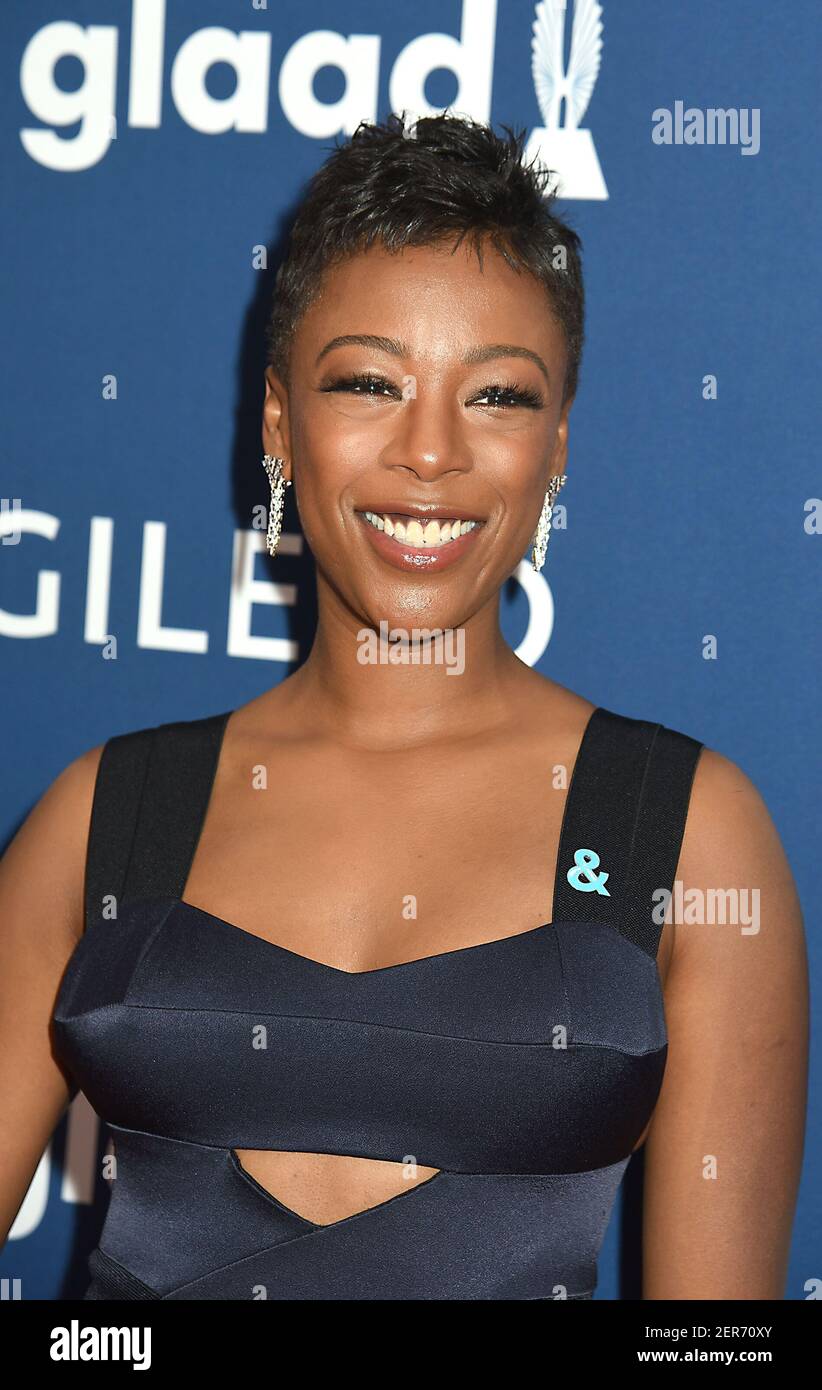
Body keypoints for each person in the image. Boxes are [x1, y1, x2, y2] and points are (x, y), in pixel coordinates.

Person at [0, 113, 808, 1301]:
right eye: (370, 381)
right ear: (280, 424)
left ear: (560, 451)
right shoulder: (104, 815)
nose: (429, 453)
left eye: (498, 396)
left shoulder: (684, 828)